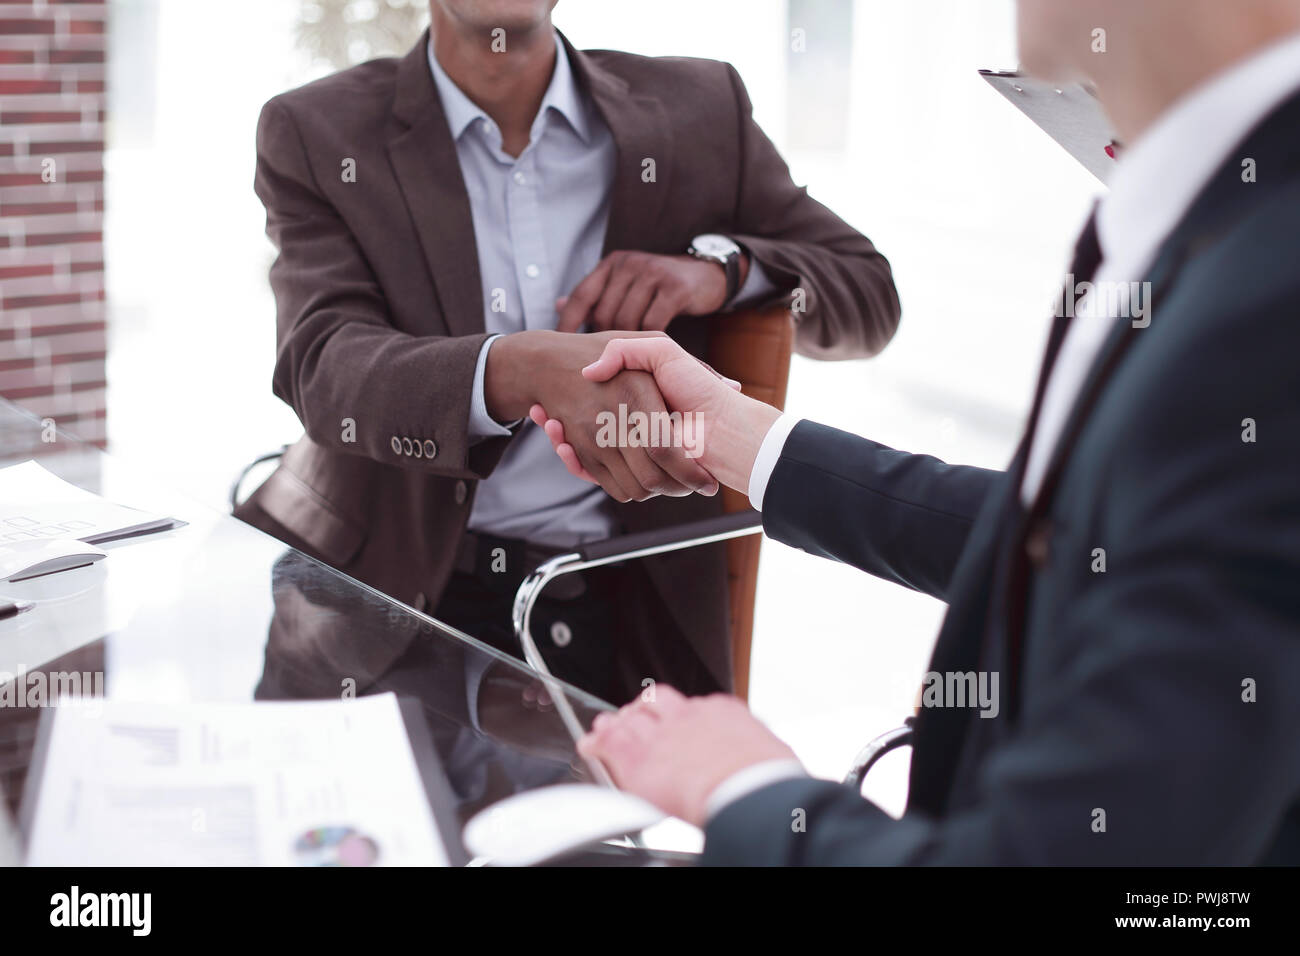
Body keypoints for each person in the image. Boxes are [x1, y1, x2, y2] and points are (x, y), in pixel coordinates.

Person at [536, 0, 1300, 864]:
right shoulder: (1207, 222)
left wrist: (746, 790)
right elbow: (1082, 539)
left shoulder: (1269, 293)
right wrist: (749, 444)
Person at [235, 0, 901, 705]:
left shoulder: (701, 108)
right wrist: (520, 368)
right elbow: (324, 364)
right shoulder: (318, 130)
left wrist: (718, 270)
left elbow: (869, 295)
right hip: (379, 603)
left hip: (624, 609)